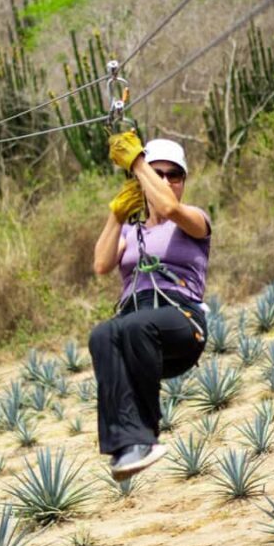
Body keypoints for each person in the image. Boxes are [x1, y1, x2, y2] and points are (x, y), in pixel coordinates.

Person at [88, 132, 211, 480]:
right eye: (160, 174)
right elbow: (101, 265)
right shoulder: (131, 230)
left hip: (181, 320)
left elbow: (169, 208)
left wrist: (139, 162)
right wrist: (116, 216)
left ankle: (146, 434)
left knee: (132, 326)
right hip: (136, 330)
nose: (168, 182)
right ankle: (128, 445)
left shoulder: (193, 220)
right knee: (102, 334)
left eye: (176, 175)